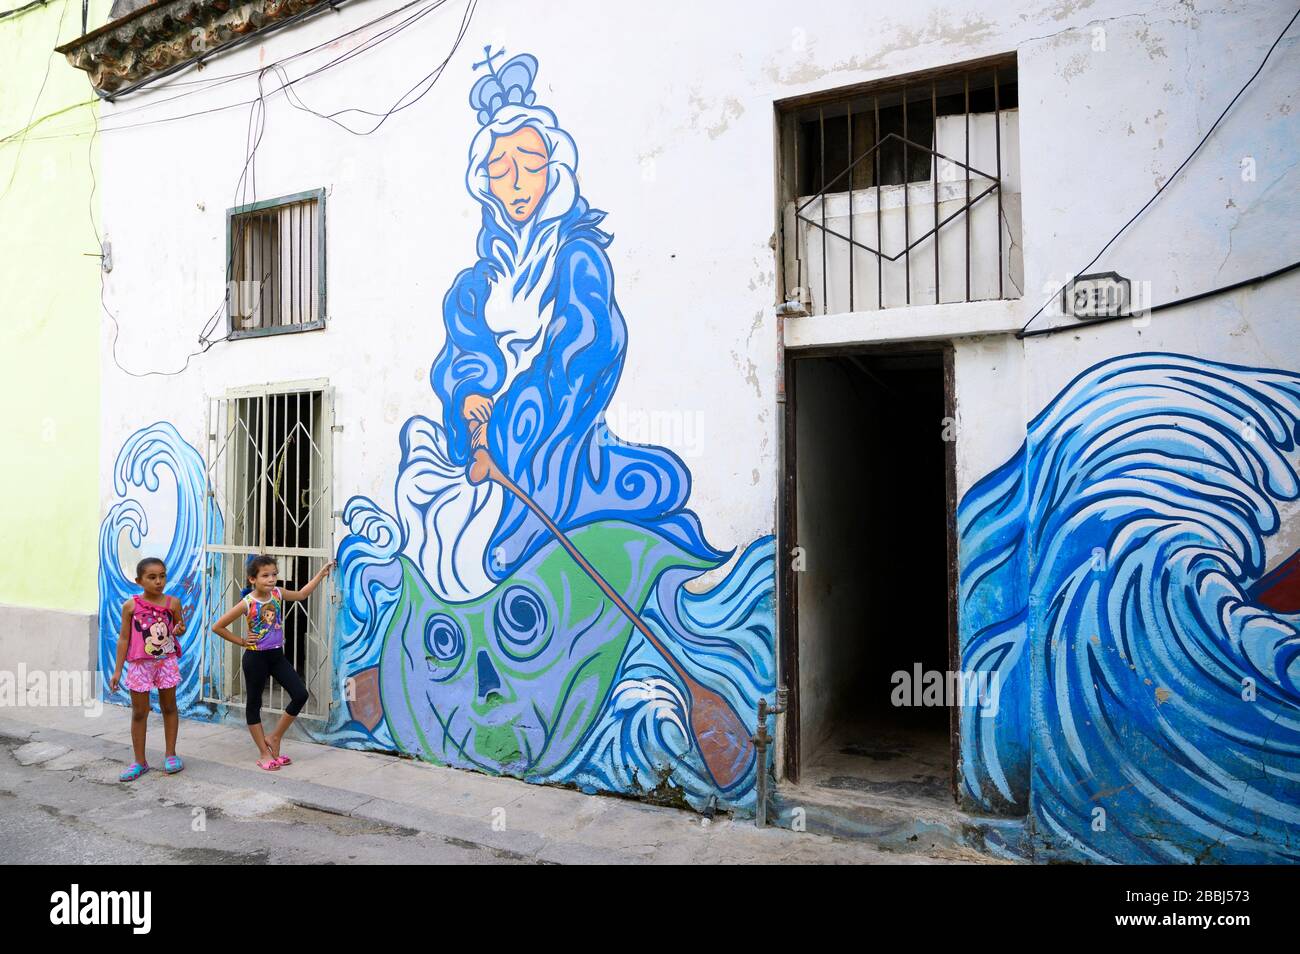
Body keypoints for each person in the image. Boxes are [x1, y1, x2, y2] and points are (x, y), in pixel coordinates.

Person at [211, 555, 334, 770]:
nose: (271, 579)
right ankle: (263, 753)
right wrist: (241, 641)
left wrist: (321, 575)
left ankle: (275, 737)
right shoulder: (247, 603)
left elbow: (303, 594)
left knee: (300, 694)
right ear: (252, 579)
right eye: (265, 575)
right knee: (254, 704)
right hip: (255, 658)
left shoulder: (277, 594)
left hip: (277, 656)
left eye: (274, 574)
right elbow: (217, 626)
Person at [109, 557, 187, 781]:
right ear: (139, 580)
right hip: (139, 665)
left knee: (169, 707)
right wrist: (117, 670)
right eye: (152, 577)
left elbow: (178, 630)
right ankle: (139, 762)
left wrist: (180, 628)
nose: (159, 581)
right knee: (140, 712)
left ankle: (171, 754)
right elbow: (124, 638)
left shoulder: (173, 603)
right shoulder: (130, 606)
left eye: (162, 576)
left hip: (166, 663)